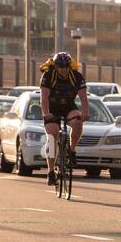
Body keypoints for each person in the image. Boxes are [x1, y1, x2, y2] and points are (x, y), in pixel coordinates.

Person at [39, 51, 87, 187]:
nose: (64, 69)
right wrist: (46, 113)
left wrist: (85, 113)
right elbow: (44, 97)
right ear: (56, 66)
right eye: (61, 66)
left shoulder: (76, 76)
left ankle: (71, 150)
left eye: (66, 66)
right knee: (52, 136)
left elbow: (83, 97)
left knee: (77, 123)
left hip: (68, 107)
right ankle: (50, 172)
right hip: (52, 108)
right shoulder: (48, 75)